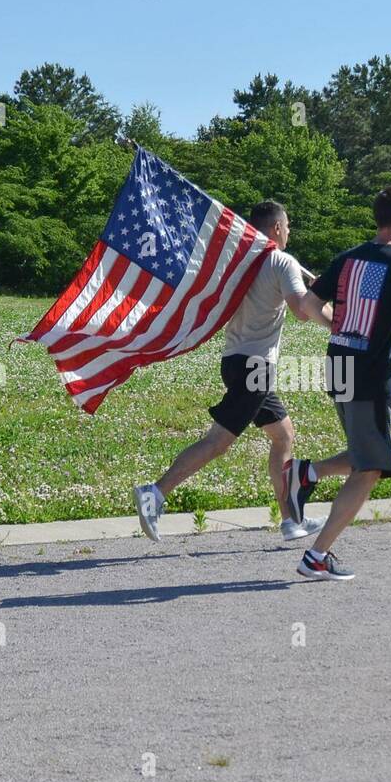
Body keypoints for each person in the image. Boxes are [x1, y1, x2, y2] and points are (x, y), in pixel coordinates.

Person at [134, 200, 331, 542]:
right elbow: (302, 309)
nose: (289, 231)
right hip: (256, 366)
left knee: (283, 436)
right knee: (217, 442)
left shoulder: (238, 262)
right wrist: (338, 323)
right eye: (287, 226)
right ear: (276, 229)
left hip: (235, 361)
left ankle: (290, 520)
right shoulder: (282, 261)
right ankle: (156, 492)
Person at [287, 185, 391, 580]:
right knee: (372, 467)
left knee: (368, 452)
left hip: (339, 367)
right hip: (370, 374)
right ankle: (316, 556)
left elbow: (307, 306)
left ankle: (307, 473)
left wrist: (338, 327)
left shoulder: (348, 258)